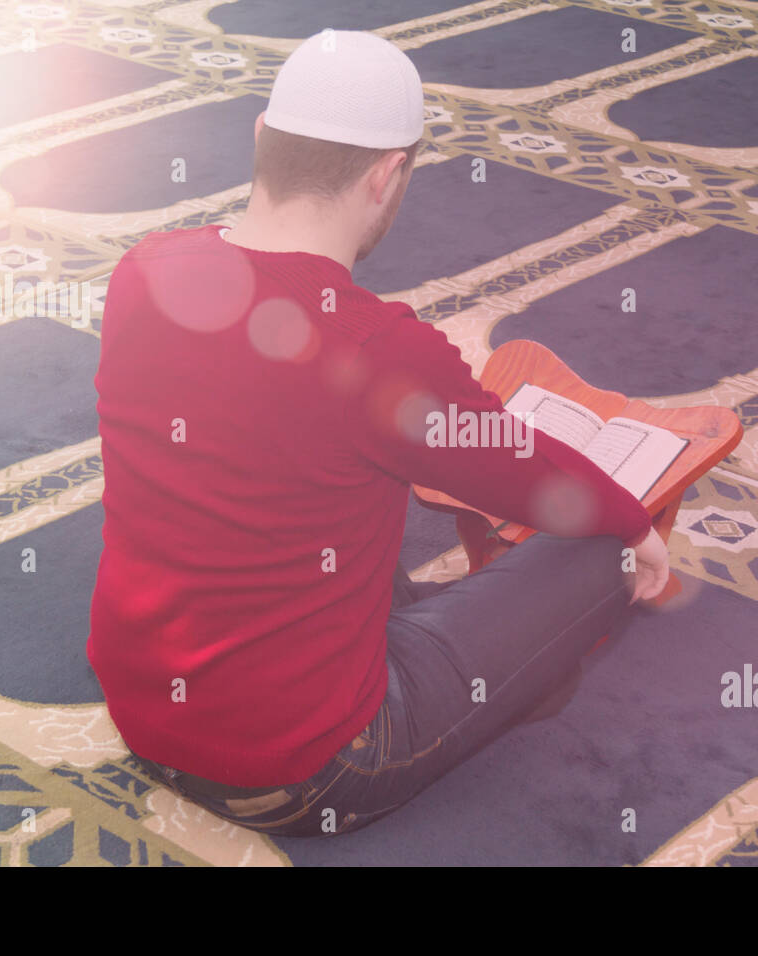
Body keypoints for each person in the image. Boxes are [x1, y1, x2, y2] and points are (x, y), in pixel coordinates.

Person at [87, 29, 671, 837]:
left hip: (145, 717)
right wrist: (636, 524)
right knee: (600, 546)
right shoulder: (374, 349)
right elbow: (541, 482)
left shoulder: (143, 269)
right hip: (314, 769)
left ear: (261, 136)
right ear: (388, 173)